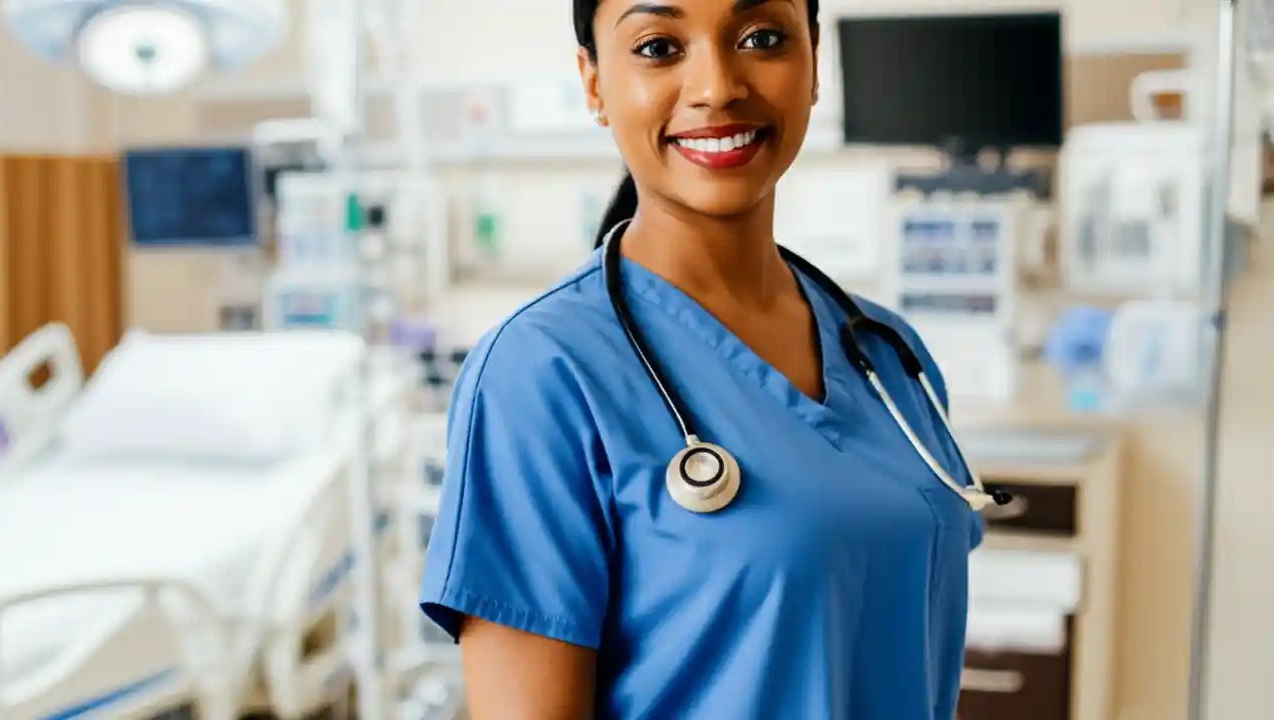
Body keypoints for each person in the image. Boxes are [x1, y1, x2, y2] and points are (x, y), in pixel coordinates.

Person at [419, 0, 985, 717]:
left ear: (814, 60)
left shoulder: (886, 352)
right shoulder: (540, 374)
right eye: (658, 47)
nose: (717, 87)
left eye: (762, 38)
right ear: (594, 83)